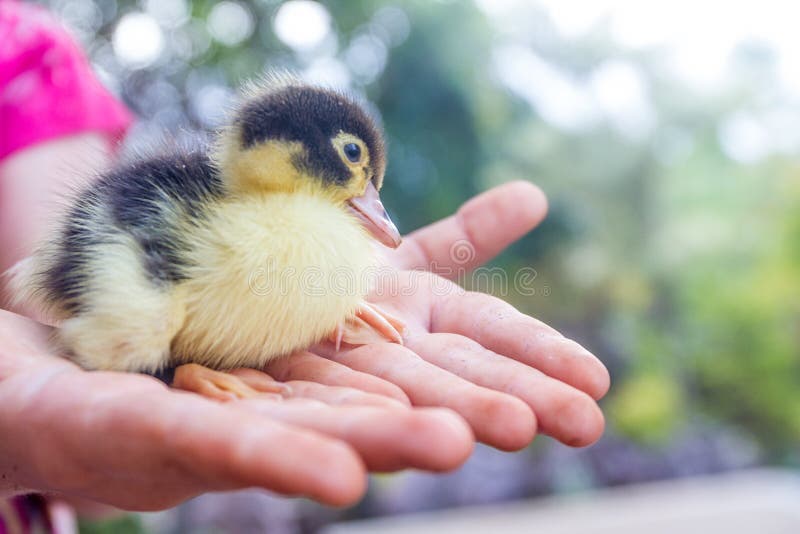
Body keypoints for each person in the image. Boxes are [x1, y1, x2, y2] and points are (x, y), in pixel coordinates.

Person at [0, 1, 609, 530]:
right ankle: (170, 366)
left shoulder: (28, 57)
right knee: (133, 329)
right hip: (140, 278)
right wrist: (168, 374)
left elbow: (90, 482)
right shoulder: (228, 231)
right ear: (278, 143)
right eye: (354, 161)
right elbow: (93, 280)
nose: (370, 202)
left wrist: (330, 299)